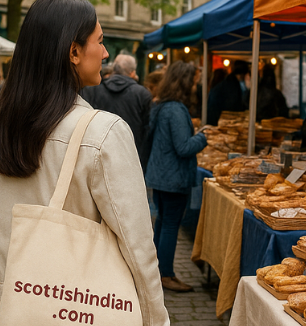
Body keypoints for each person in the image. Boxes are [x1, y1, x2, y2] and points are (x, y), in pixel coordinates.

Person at [0, 0, 170, 326]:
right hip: (89, 310)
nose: (104, 51)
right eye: (98, 41)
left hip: (13, 313)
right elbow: (137, 243)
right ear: (73, 51)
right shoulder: (103, 132)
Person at [145, 61, 209, 292]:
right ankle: (166, 275)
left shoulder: (161, 105)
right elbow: (183, 147)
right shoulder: (175, 109)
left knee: (163, 221)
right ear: (184, 81)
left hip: (161, 174)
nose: (195, 85)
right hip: (172, 178)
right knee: (170, 224)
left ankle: (155, 271)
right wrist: (203, 137)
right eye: (193, 81)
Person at [81, 54, 154, 172]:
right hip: (131, 156)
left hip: (97, 153)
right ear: (132, 72)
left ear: (114, 69)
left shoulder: (93, 90)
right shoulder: (142, 93)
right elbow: (148, 129)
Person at [205, 59, 249, 125]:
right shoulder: (233, 86)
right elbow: (233, 106)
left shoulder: (228, 83)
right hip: (220, 120)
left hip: (215, 117)